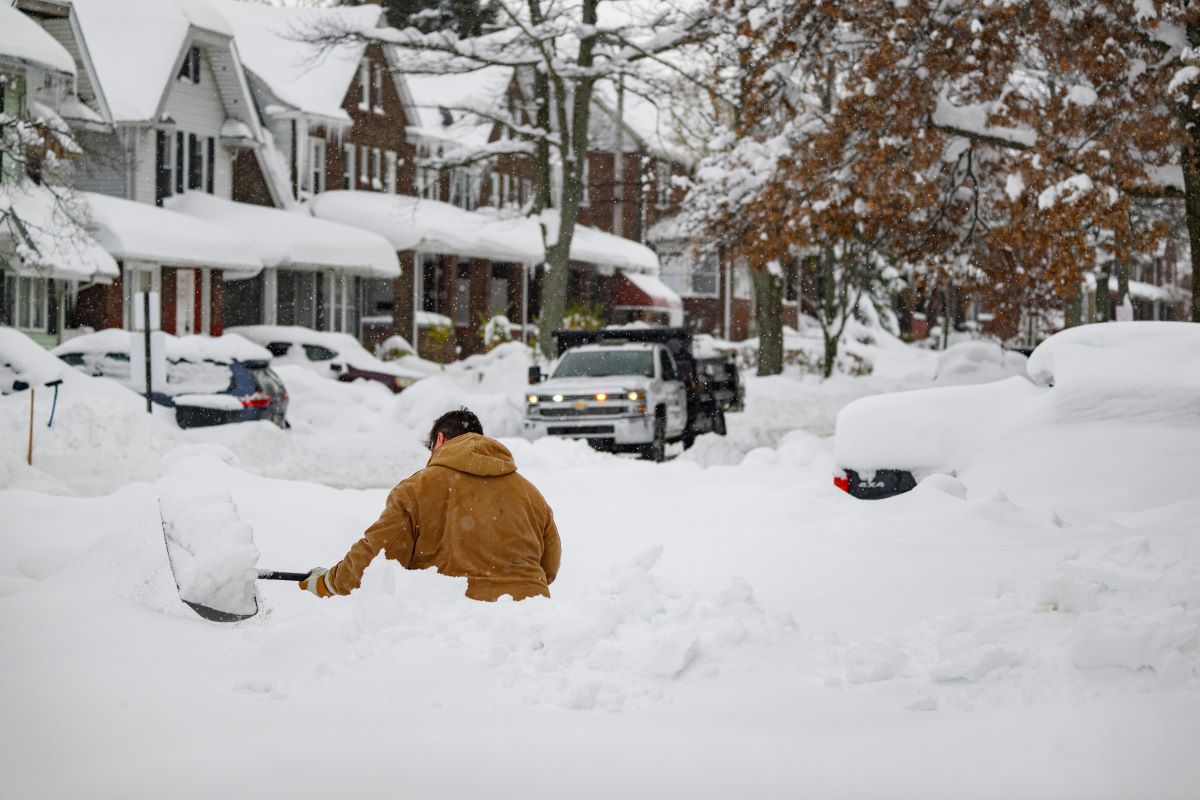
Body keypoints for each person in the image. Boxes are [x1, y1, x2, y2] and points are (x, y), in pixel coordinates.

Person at [299, 407, 561, 602]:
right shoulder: (531, 494)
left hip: (456, 626)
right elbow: (549, 567)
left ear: (440, 440)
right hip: (530, 622)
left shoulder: (417, 489)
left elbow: (377, 557)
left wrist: (328, 582)